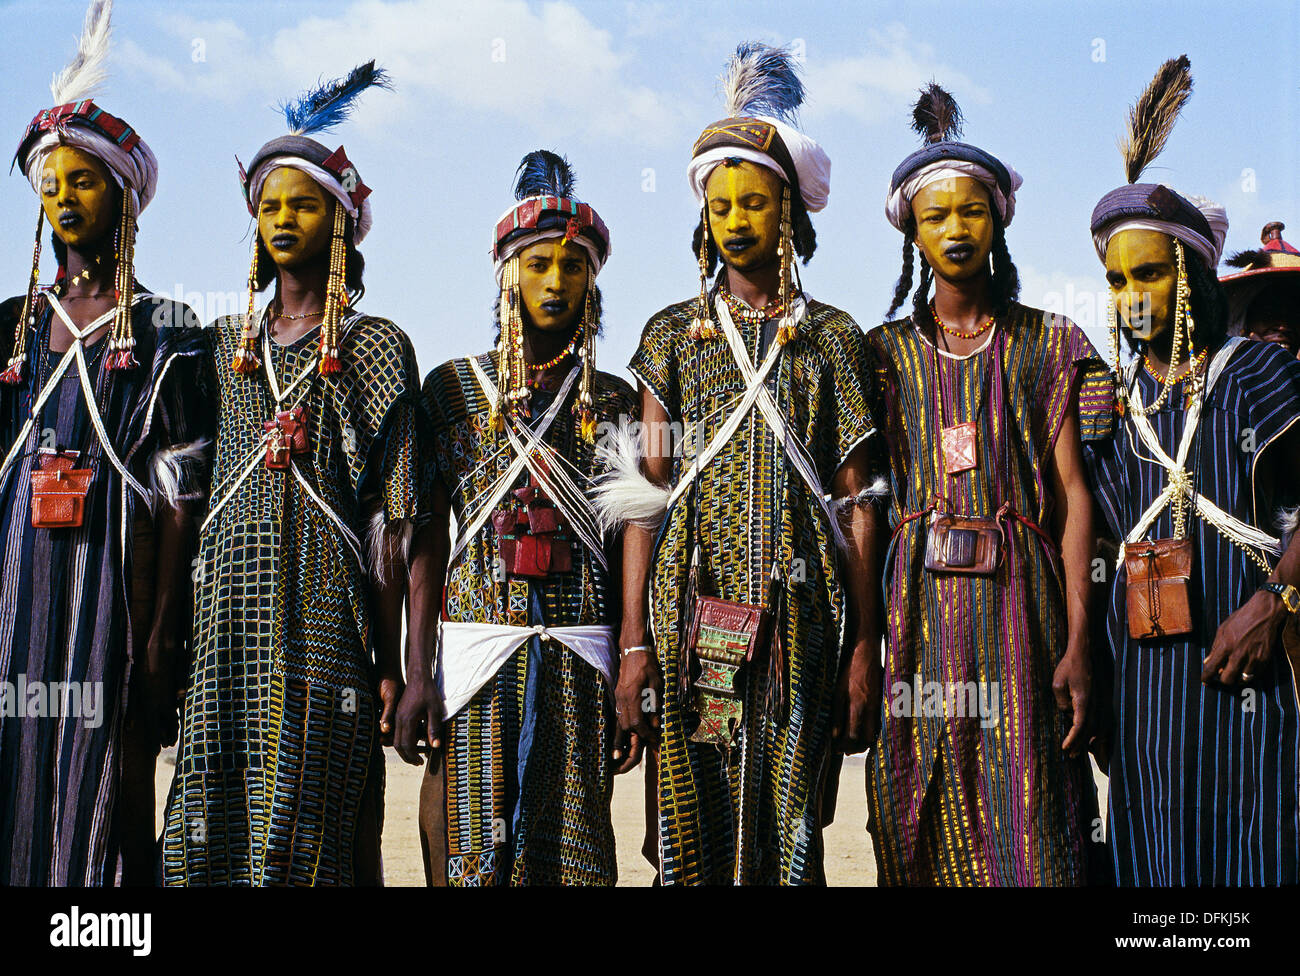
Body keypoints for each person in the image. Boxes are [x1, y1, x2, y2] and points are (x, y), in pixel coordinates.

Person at [600, 42, 885, 885]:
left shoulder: (834, 338)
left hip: (801, 618)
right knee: (691, 835)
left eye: (754, 202)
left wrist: (864, 644)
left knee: (789, 839)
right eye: (720, 204)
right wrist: (633, 643)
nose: (734, 219)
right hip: (695, 613)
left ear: (789, 213)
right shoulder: (669, 335)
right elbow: (646, 496)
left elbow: (860, 501)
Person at [161, 63, 424, 886]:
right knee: (208, 817)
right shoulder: (215, 346)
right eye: (270, 206)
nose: (284, 219)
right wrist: (166, 634)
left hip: (327, 624)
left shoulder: (379, 347)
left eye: (304, 204)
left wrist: (397, 663)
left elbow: (398, 524)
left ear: (340, 220)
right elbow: (181, 499)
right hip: (221, 628)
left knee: (313, 820)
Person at [864, 83, 1101, 886]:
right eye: (936, 216)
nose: (955, 229)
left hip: (1021, 618)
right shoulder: (882, 355)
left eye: (971, 212)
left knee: (1030, 820)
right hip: (918, 618)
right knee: (913, 814)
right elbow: (858, 507)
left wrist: (1076, 643)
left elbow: (1073, 501)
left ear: (998, 218)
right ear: (912, 232)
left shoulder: (1051, 342)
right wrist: (864, 644)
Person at [0, 0, 212, 886]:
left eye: (84, 180)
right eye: (50, 183)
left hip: (112, 598)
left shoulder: (170, 331)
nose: (62, 198)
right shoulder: (8, 327)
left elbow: (180, 501)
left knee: (111, 796)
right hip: (16, 596)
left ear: (125, 193)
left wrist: (161, 639)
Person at [1084, 56, 1300, 885]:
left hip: (1244, 683)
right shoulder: (1111, 405)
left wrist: (1274, 602)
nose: (1131, 295)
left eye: (1149, 272)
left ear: (1192, 275)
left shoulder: (1252, 375)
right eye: (1115, 279)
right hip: (1142, 700)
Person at [402, 151, 635, 886]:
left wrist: (634, 660)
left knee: (573, 842)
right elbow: (423, 538)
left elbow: (636, 541)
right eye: (538, 265)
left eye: (574, 268)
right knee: (471, 838)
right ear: (507, 275)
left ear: (594, 282)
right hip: (475, 650)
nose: (556, 282)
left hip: (577, 651)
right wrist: (415, 672)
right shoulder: (450, 391)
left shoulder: (618, 402)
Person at [1220, 221, 1300, 356]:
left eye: (1295, 316)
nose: (1283, 327)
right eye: (1270, 314)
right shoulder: (1224, 374)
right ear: (1244, 325)